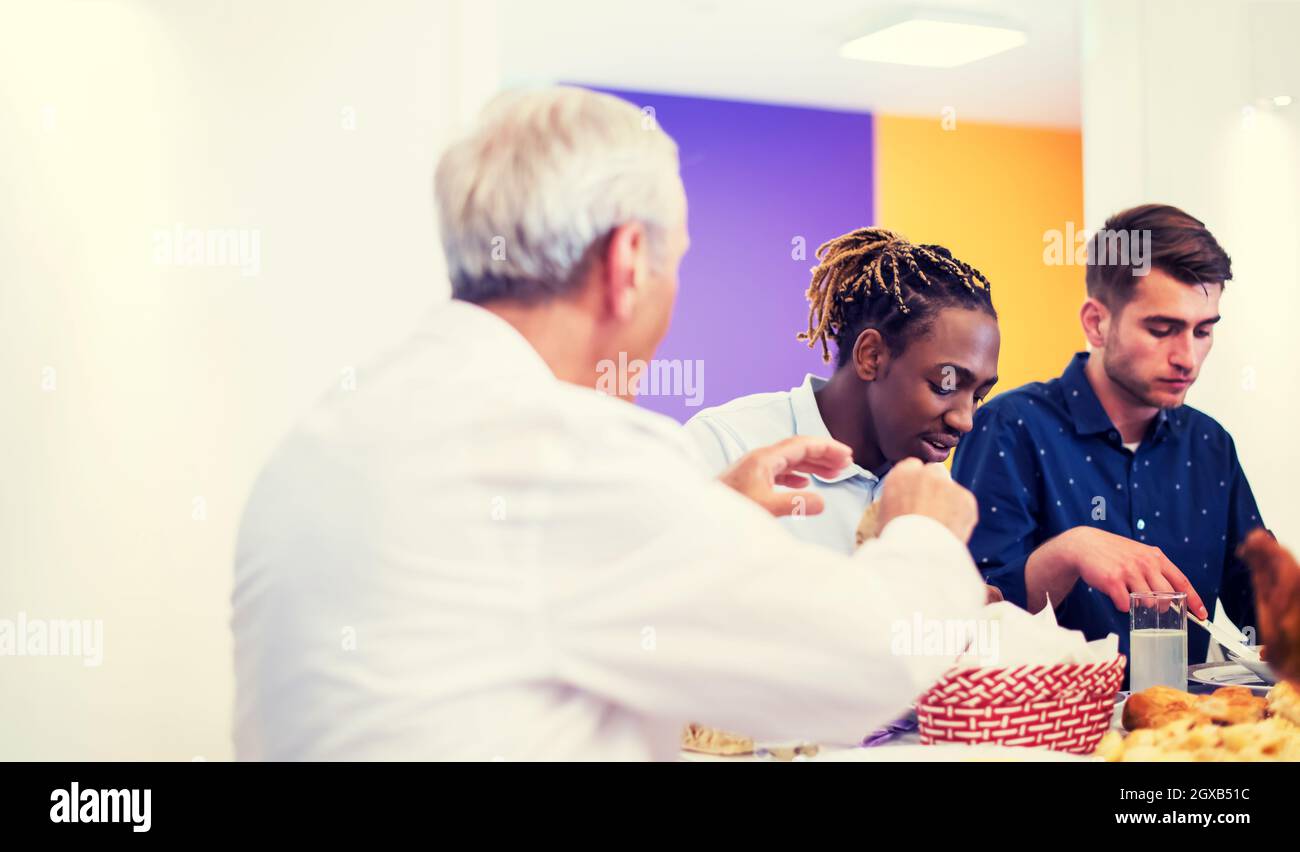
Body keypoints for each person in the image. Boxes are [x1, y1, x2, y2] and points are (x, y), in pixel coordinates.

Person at [232, 86, 986, 761]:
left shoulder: (329, 429)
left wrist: (702, 514)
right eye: (675, 264)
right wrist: (921, 531)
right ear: (628, 261)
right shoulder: (566, 451)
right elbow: (863, 665)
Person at [951, 204, 1264, 670]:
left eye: (1203, 331)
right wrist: (1068, 552)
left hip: (1187, 736)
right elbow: (968, 625)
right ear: (1097, 323)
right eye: (1162, 329)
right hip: (1043, 737)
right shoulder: (1009, 428)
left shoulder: (1211, 445)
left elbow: (1262, 608)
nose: (1188, 358)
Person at [683, 228, 999, 553]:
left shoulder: (933, 492)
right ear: (871, 356)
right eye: (944, 385)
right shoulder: (725, 446)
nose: (965, 421)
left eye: (978, 396)